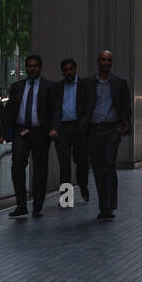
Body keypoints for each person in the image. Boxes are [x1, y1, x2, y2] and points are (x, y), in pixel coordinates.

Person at [79, 50, 132, 221]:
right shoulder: (87, 84)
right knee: (98, 168)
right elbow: (82, 107)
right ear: (98, 62)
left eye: (108, 60)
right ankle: (104, 205)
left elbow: (126, 107)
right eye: (103, 60)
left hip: (112, 130)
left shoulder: (119, 83)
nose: (105, 63)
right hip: (94, 130)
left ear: (112, 62)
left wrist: (122, 125)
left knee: (109, 165)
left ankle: (108, 206)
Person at [1, 55, 54, 218]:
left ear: (40, 67)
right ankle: (21, 204)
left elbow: (54, 110)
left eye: (35, 66)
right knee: (17, 165)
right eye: (29, 66)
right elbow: (9, 110)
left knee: (40, 169)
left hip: (40, 132)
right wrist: (2, 132)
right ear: (26, 67)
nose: (32, 69)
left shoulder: (49, 86)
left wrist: (53, 129)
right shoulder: (17, 86)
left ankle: (38, 205)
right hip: (20, 131)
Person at [49, 58, 90, 203]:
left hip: (79, 128)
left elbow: (87, 109)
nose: (68, 72)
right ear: (62, 72)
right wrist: (54, 128)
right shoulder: (57, 87)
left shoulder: (84, 85)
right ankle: (66, 198)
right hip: (62, 129)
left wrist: (83, 127)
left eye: (71, 69)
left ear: (75, 69)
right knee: (64, 164)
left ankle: (83, 186)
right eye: (65, 70)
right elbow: (54, 109)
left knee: (82, 162)